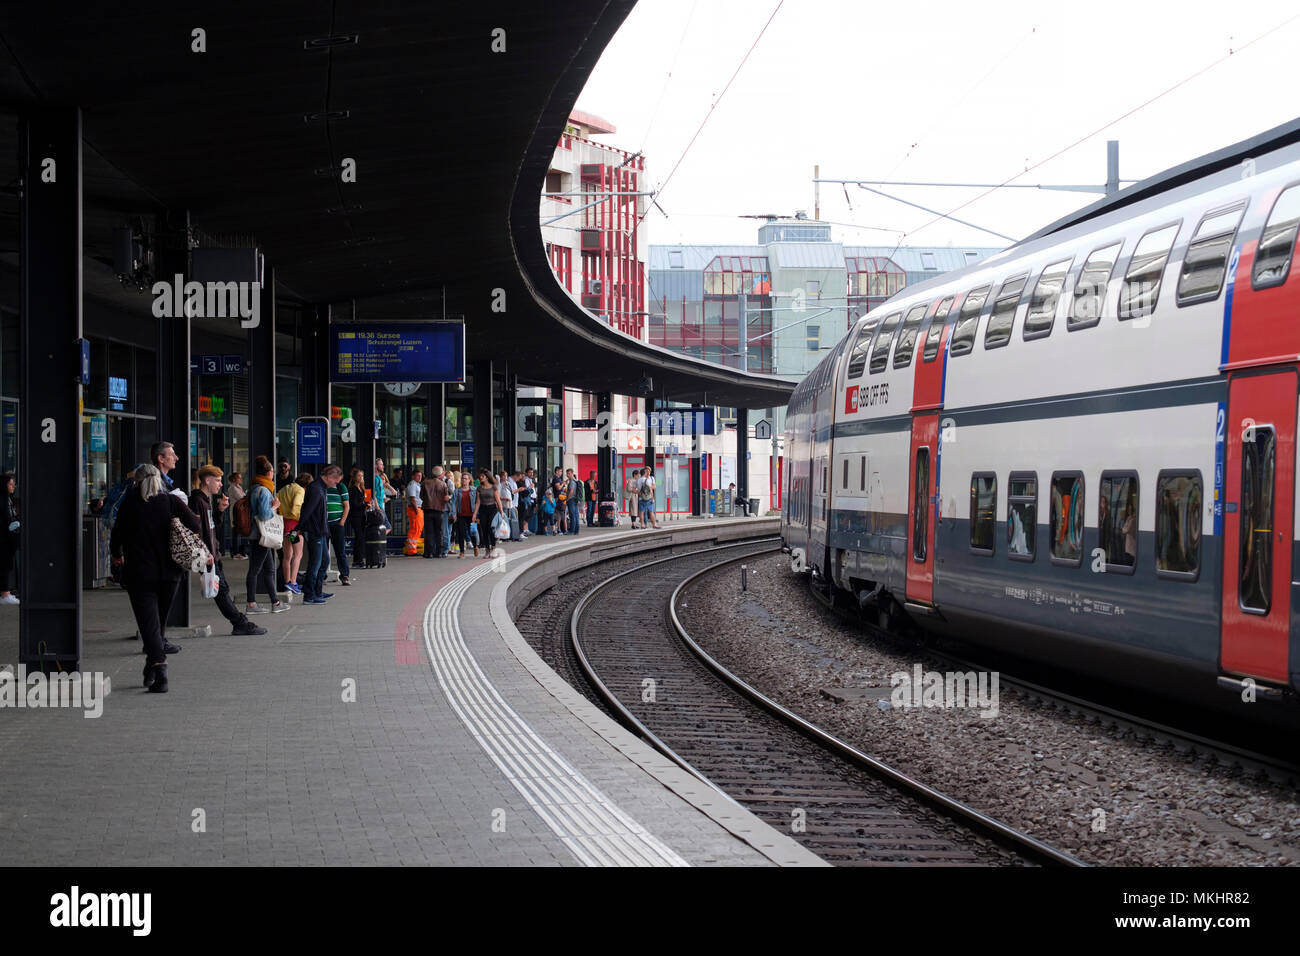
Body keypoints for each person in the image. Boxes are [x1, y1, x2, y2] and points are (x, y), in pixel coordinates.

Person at [109, 464, 202, 693]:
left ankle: (159, 669)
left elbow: (116, 536)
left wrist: (117, 556)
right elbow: (196, 524)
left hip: (140, 574)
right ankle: (151, 666)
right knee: (158, 623)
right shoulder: (170, 502)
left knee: (150, 624)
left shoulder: (129, 504)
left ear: (137, 482)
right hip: (170, 574)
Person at [190, 465, 266, 636]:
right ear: (207, 480)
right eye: (217, 480)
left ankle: (239, 622)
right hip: (208, 554)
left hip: (212, 553)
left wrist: (220, 510)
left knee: (221, 590)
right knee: (221, 590)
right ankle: (239, 622)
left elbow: (210, 526)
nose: (220, 484)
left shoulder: (205, 500)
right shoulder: (197, 501)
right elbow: (197, 530)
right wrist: (205, 552)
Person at [246, 456, 289, 615]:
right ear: (269, 473)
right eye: (272, 471)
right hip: (260, 536)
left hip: (260, 535)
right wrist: (275, 507)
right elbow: (264, 515)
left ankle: (275, 602)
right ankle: (251, 604)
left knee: (269, 569)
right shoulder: (264, 490)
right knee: (255, 570)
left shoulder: (255, 486)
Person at [300, 464, 340, 604]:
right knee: (315, 564)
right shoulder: (316, 489)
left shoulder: (320, 488)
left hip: (320, 531)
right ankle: (309, 595)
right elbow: (307, 510)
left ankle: (317, 591)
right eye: (335, 481)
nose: (335, 485)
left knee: (324, 561)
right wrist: (299, 528)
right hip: (315, 531)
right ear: (329, 477)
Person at [277, 472, 307, 595]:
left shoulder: (284, 488)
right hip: (295, 526)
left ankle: (287, 581)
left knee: (286, 557)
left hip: (284, 524)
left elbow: (276, 501)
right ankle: (293, 582)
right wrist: (302, 520)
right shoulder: (300, 491)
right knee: (298, 554)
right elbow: (296, 507)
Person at [325, 467, 351, 584]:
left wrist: (342, 523)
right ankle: (322, 576)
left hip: (337, 523)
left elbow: (346, 506)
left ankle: (344, 575)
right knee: (322, 552)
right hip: (323, 524)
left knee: (340, 551)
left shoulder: (341, 487)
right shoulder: (323, 486)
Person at [421, 465, 450, 558]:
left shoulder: (425, 483)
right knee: (439, 531)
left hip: (427, 509)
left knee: (429, 532)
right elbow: (446, 497)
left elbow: (421, 496)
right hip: (439, 510)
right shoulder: (443, 484)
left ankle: (428, 552)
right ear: (440, 474)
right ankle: (439, 552)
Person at [474, 472, 503, 558]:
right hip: (483, 510)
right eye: (480, 476)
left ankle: (493, 548)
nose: (481, 477)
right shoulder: (479, 488)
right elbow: (478, 502)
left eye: (482, 476)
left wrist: (501, 512)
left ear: (487, 477)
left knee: (491, 529)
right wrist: (475, 514)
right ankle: (487, 550)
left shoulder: (494, 487)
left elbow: (498, 500)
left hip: (492, 509)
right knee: (484, 530)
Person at [0, 474, 18, 604]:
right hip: (3, 538)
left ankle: (6, 592)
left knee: (7, 564)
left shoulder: (9, 499)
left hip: (8, 538)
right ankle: (5, 593)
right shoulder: (3, 500)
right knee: (5, 565)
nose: (13, 487)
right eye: (10, 484)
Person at [452, 471, 479, 557]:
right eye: (462, 478)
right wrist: (454, 514)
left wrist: (476, 514)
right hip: (461, 515)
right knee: (461, 533)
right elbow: (453, 503)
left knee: (472, 532)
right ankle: (462, 552)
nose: (464, 480)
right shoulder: (457, 491)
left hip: (472, 515)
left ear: (469, 480)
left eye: (465, 479)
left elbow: (477, 502)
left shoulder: (474, 490)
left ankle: (475, 547)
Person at [347, 468, 370, 568]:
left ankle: (359, 559)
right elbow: (354, 504)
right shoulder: (352, 489)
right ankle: (358, 560)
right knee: (359, 536)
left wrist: (367, 504)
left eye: (362, 476)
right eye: (359, 476)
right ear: (355, 477)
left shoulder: (362, 488)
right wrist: (364, 504)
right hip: (355, 515)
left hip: (362, 515)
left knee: (361, 537)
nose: (361, 478)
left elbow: (364, 500)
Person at [225, 472, 247, 558]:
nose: (241, 479)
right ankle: (235, 552)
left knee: (238, 531)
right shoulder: (232, 488)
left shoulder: (239, 487)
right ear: (234, 479)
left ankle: (238, 551)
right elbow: (241, 498)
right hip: (235, 512)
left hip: (240, 511)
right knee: (235, 531)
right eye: (239, 478)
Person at [405, 468, 424, 555]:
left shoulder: (417, 484)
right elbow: (412, 499)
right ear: (413, 476)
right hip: (415, 509)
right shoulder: (412, 484)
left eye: (420, 475)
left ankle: (412, 549)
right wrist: (416, 510)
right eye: (418, 475)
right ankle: (411, 550)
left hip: (417, 509)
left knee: (417, 529)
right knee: (415, 529)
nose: (420, 477)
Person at [564, 469, 582, 535]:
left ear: (572, 473)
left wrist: (567, 499)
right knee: (576, 515)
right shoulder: (575, 481)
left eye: (568, 473)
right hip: (575, 499)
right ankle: (576, 530)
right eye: (567, 473)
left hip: (571, 499)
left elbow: (571, 491)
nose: (567, 475)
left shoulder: (572, 482)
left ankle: (571, 530)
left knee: (572, 515)